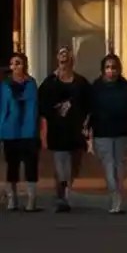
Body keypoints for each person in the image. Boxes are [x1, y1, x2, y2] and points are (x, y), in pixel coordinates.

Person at [39, 45, 92, 212]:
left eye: (66, 56)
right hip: (57, 131)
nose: (64, 59)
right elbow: (42, 108)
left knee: (74, 166)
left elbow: (89, 106)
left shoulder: (81, 82)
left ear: (71, 60)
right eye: (61, 55)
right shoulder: (50, 82)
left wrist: (88, 127)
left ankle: (67, 189)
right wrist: (43, 131)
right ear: (57, 59)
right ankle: (61, 197)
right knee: (61, 166)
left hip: (76, 131)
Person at [88, 54, 127, 214]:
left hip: (122, 133)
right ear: (103, 69)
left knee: (120, 167)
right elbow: (91, 111)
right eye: (108, 67)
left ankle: (118, 197)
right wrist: (88, 132)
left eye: (114, 67)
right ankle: (114, 196)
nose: (111, 71)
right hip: (102, 133)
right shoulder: (96, 88)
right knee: (109, 166)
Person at [0, 52, 40, 211]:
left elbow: (35, 106)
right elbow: (3, 108)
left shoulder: (31, 84)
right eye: (12, 64)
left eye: (18, 63)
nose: (15, 66)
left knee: (31, 165)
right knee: (12, 165)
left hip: (29, 131)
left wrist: (37, 128)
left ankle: (31, 199)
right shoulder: (5, 85)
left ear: (24, 65)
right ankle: (12, 198)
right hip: (10, 131)